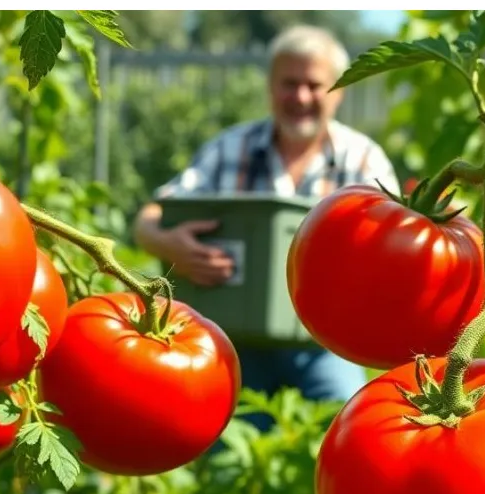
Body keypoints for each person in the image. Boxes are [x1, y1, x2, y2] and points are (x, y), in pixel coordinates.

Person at [133, 25, 401, 410]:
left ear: (339, 92)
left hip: (324, 346)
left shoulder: (361, 161)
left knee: (343, 420)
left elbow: (392, 252)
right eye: (289, 83)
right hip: (237, 340)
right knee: (224, 442)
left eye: (314, 84)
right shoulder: (230, 149)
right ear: (271, 86)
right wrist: (167, 244)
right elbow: (151, 215)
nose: (301, 96)